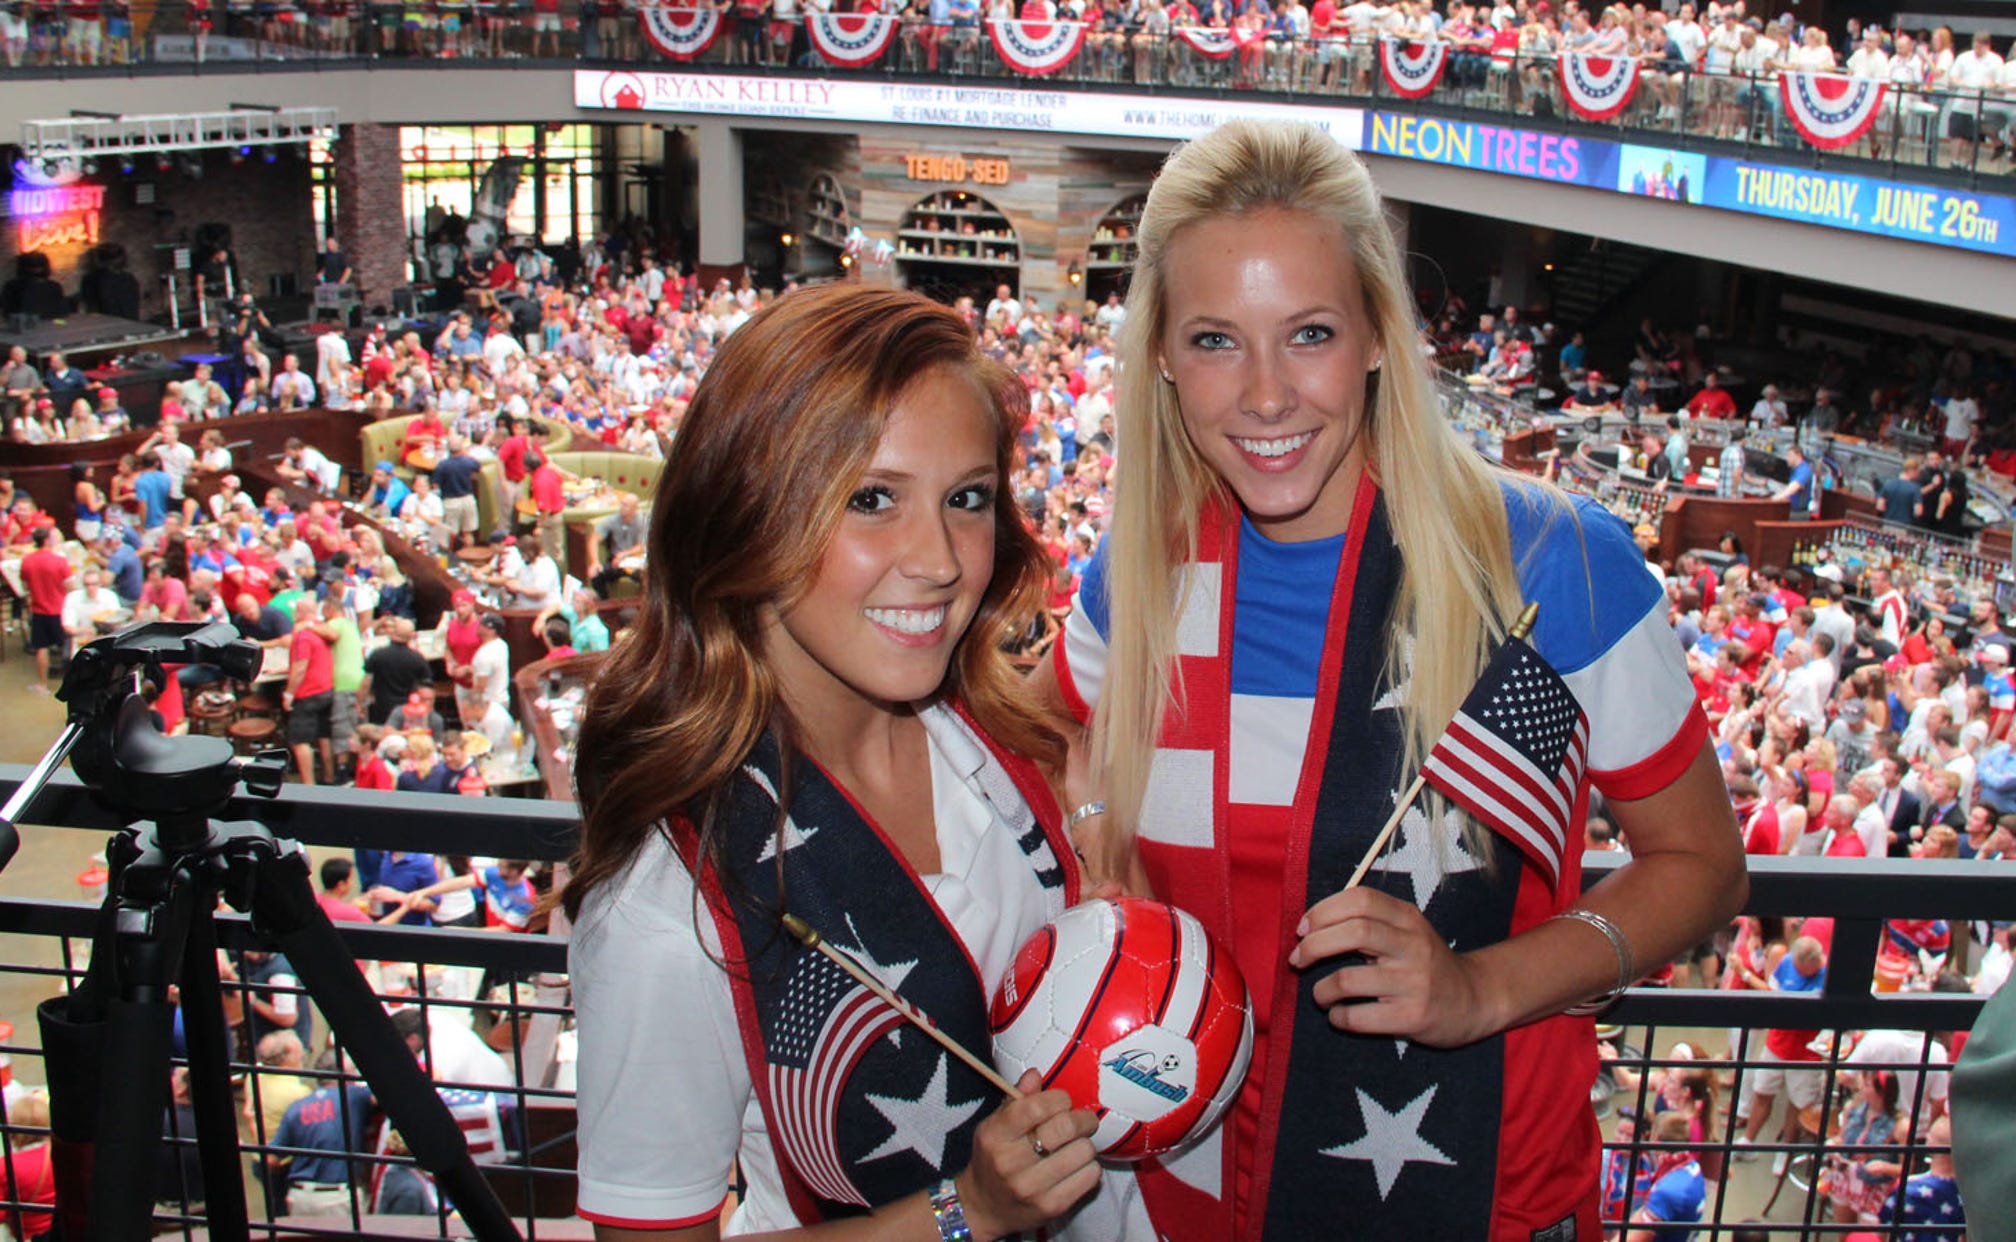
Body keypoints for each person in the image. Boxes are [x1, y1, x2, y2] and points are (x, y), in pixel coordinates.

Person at [1033, 121, 1745, 1238]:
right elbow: (1035, 736)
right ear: (1162, 356)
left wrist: (1483, 988)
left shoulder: (1554, 561)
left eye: (1309, 333)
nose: (1267, 395)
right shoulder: (1141, 572)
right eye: (1216, 341)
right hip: (1185, 1195)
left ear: (1376, 332)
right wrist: (1097, 843)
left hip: (1483, 1194)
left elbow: (1701, 866)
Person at [566, 286, 1109, 1238]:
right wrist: (965, 1211)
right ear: (746, 513)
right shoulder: (669, 905)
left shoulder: (990, 737)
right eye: (871, 500)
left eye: (966, 499)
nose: (940, 560)